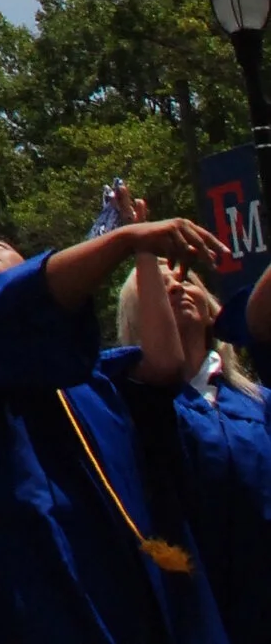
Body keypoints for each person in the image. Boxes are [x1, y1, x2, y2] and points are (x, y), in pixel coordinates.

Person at [0, 190, 232, 643]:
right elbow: (2, 310)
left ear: (26, 261)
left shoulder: (89, 372)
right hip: (25, 584)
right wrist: (120, 241)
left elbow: (162, 364)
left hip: (118, 576)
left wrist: (143, 253)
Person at [118, 233, 271, 643]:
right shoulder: (128, 403)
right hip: (186, 600)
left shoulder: (258, 403)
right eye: (157, 283)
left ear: (210, 310)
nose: (176, 285)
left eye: (187, 280)